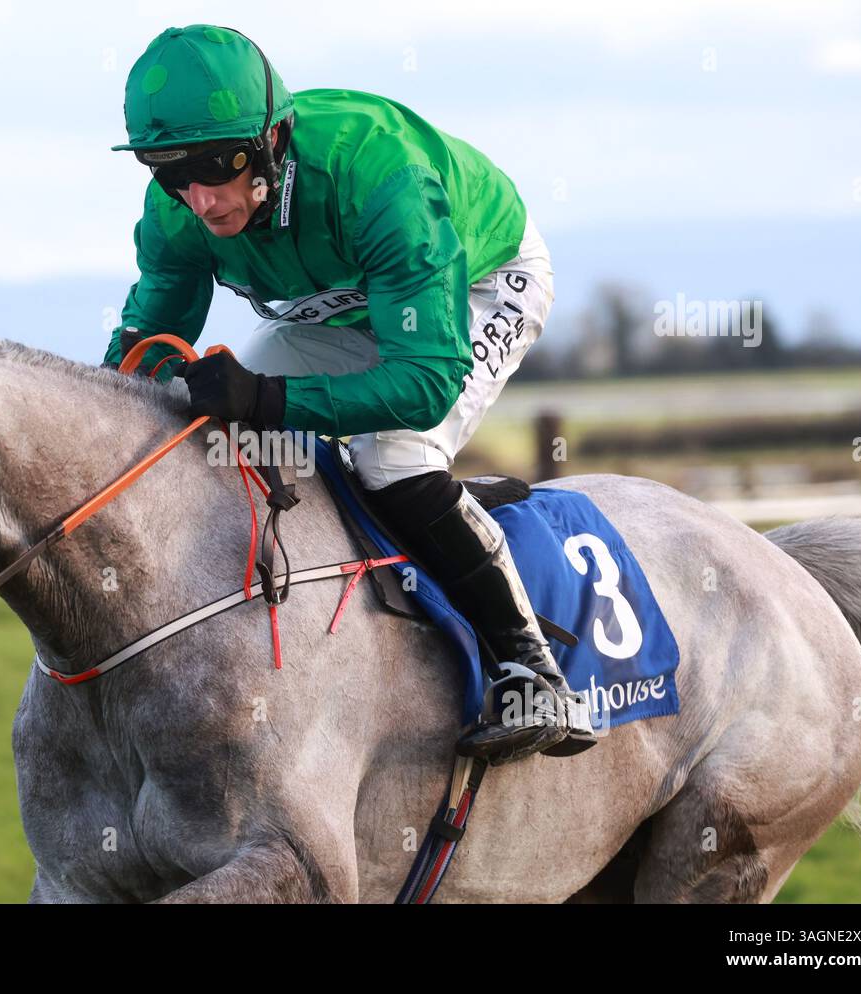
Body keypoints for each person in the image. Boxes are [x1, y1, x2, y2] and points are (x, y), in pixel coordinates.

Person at [104, 24, 595, 765]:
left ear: (271, 138)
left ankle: (532, 673)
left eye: (219, 165)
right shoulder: (176, 209)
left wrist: (269, 399)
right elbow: (142, 354)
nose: (201, 199)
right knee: (196, 420)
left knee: (394, 458)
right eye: (171, 172)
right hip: (342, 304)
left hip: (477, 285)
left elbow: (423, 383)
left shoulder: (376, 172)